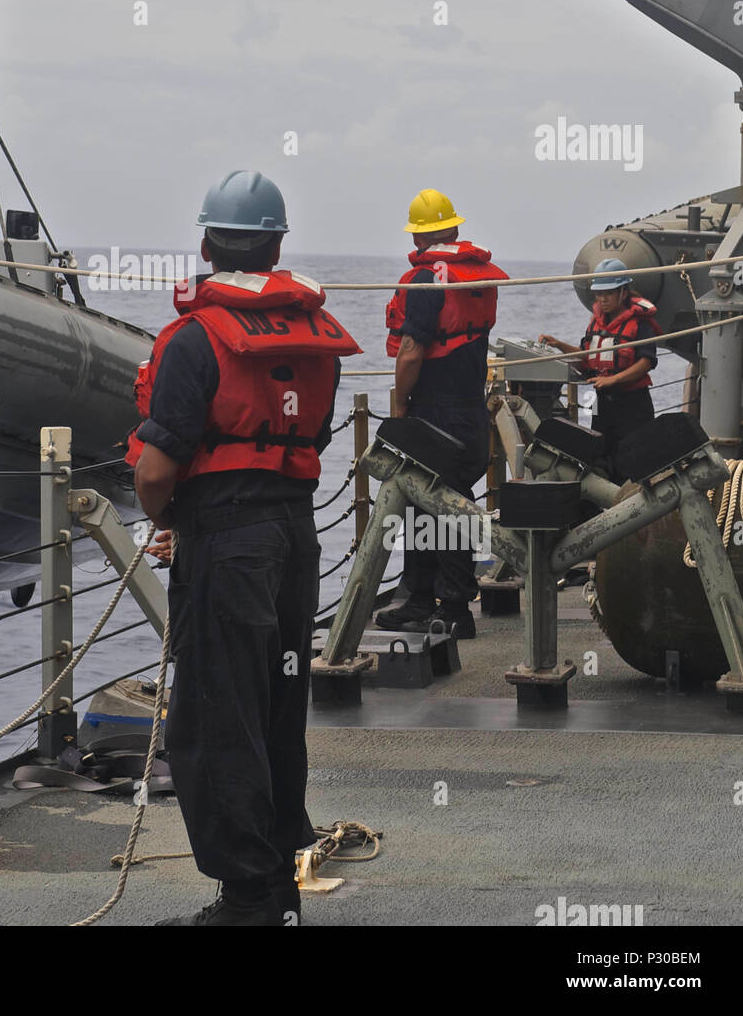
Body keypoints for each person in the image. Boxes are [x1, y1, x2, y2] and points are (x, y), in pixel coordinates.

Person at [126, 170, 360, 927]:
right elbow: (310, 437)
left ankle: (251, 899)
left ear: (203, 242)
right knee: (273, 707)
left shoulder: (193, 341)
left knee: (214, 719)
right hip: (295, 538)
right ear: (278, 244)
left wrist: (164, 518)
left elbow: (155, 468)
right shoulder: (314, 342)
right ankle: (277, 885)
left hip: (226, 545)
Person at [377, 189, 508, 640]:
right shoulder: (473, 275)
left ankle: (447, 606)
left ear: (417, 235)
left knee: (437, 505)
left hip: (434, 411)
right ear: (453, 228)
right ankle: (429, 600)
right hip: (471, 409)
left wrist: (399, 406)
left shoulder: (425, 280)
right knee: (435, 503)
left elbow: (411, 352)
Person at [539, 257, 660, 483]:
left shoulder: (640, 324)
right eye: (599, 294)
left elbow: (646, 362)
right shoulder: (596, 322)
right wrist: (559, 345)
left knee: (633, 460)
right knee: (601, 457)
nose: (602, 299)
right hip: (601, 402)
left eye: (609, 293)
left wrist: (614, 380)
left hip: (633, 404)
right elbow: (588, 355)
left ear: (623, 292)